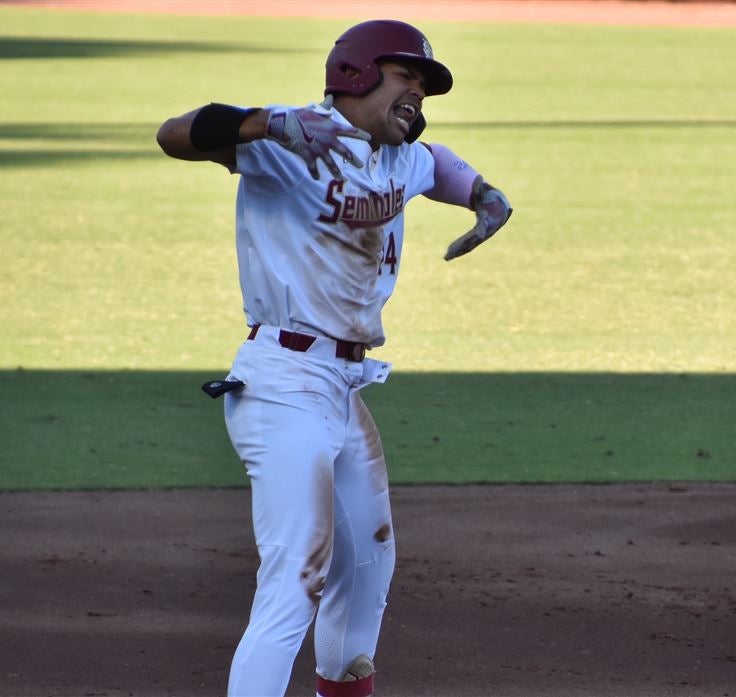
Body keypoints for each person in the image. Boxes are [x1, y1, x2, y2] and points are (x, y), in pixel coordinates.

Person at [155, 19, 512, 697]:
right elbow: (174, 133)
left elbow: (435, 165)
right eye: (407, 78)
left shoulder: (396, 156)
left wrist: (483, 195)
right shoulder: (293, 136)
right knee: (296, 577)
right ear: (357, 72)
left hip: (343, 388)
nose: (418, 96)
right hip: (283, 382)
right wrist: (263, 125)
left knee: (369, 561)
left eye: (424, 87)